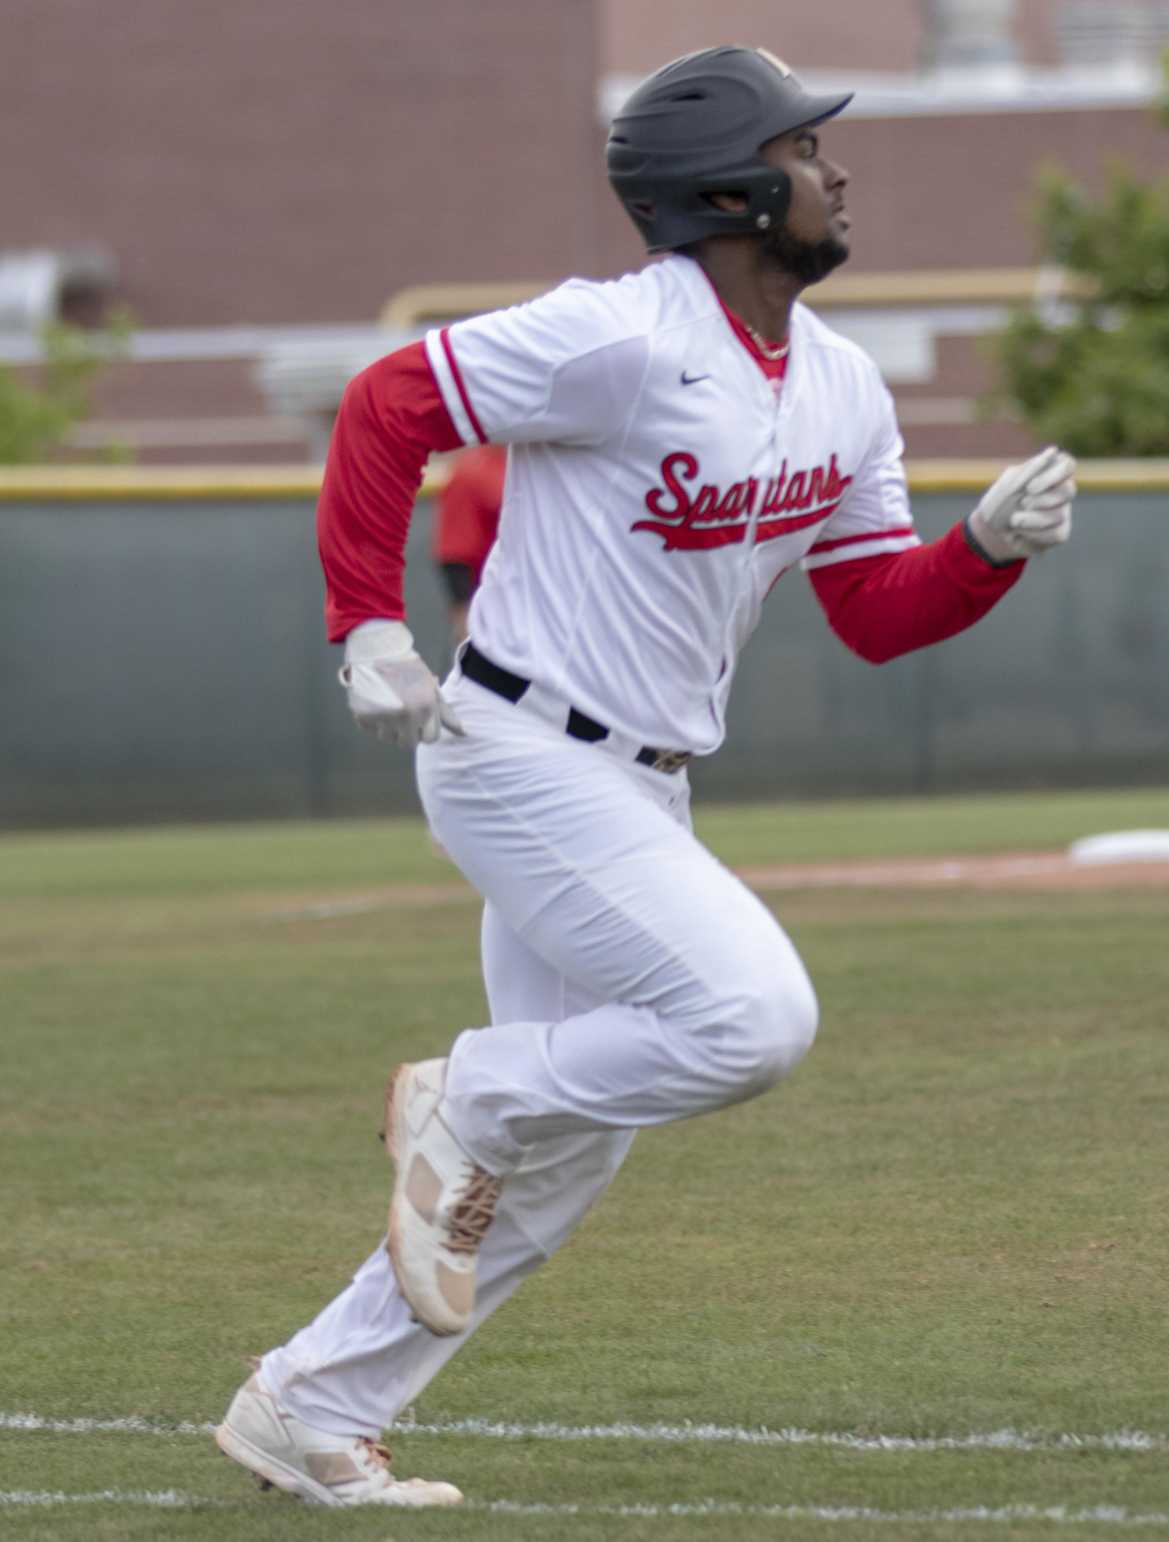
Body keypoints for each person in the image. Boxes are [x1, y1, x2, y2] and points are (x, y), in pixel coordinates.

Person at [213, 45, 1078, 1506]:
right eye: (809, 149)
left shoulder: (847, 387)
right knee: (752, 1016)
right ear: (734, 189)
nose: (838, 168)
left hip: (640, 782)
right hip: (515, 750)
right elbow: (384, 405)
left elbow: (874, 611)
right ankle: (472, 1089)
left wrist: (982, 552)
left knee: (561, 1167)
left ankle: (308, 1402)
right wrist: (365, 619)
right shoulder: (614, 335)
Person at [434, 443, 507, 645]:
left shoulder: (547, 463)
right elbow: (455, 558)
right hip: (495, 617)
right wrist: (466, 628)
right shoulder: (474, 470)